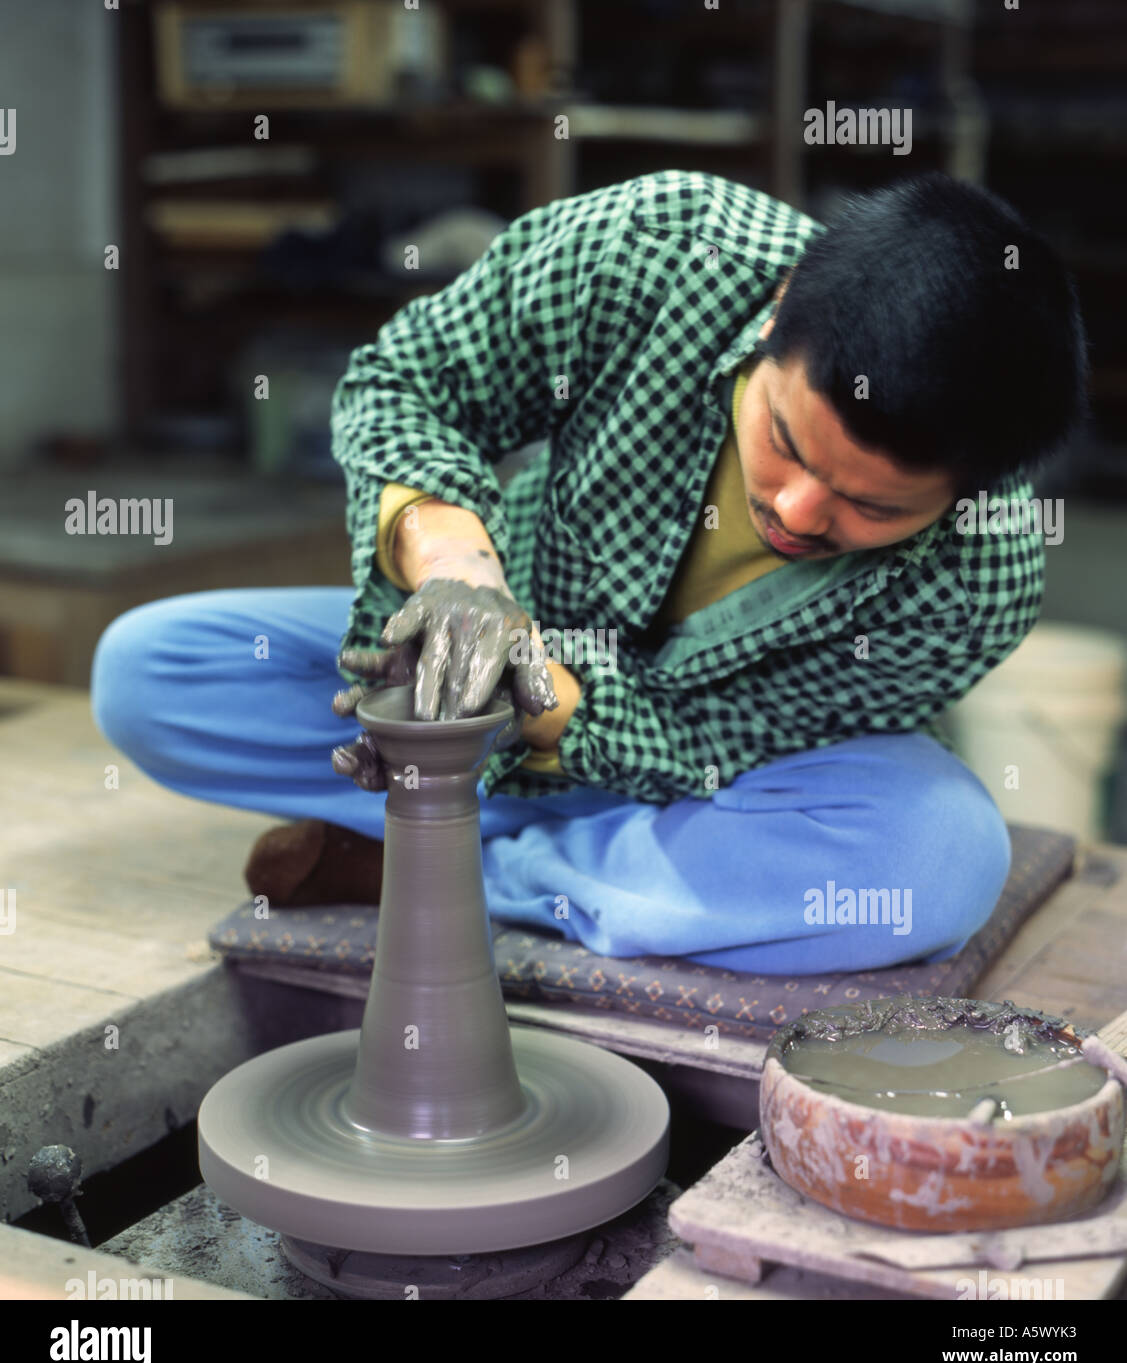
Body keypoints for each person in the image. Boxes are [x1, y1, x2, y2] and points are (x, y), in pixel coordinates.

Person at [91, 169, 1087, 974]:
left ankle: (450, 868)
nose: (794, 512)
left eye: (871, 508)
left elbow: (702, 747)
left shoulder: (977, 579)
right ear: (781, 309)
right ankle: (571, 870)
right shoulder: (653, 249)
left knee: (938, 861)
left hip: (691, 793)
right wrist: (456, 574)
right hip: (472, 677)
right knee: (151, 669)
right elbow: (408, 379)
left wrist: (537, 695)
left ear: (966, 495)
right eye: (782, 441)